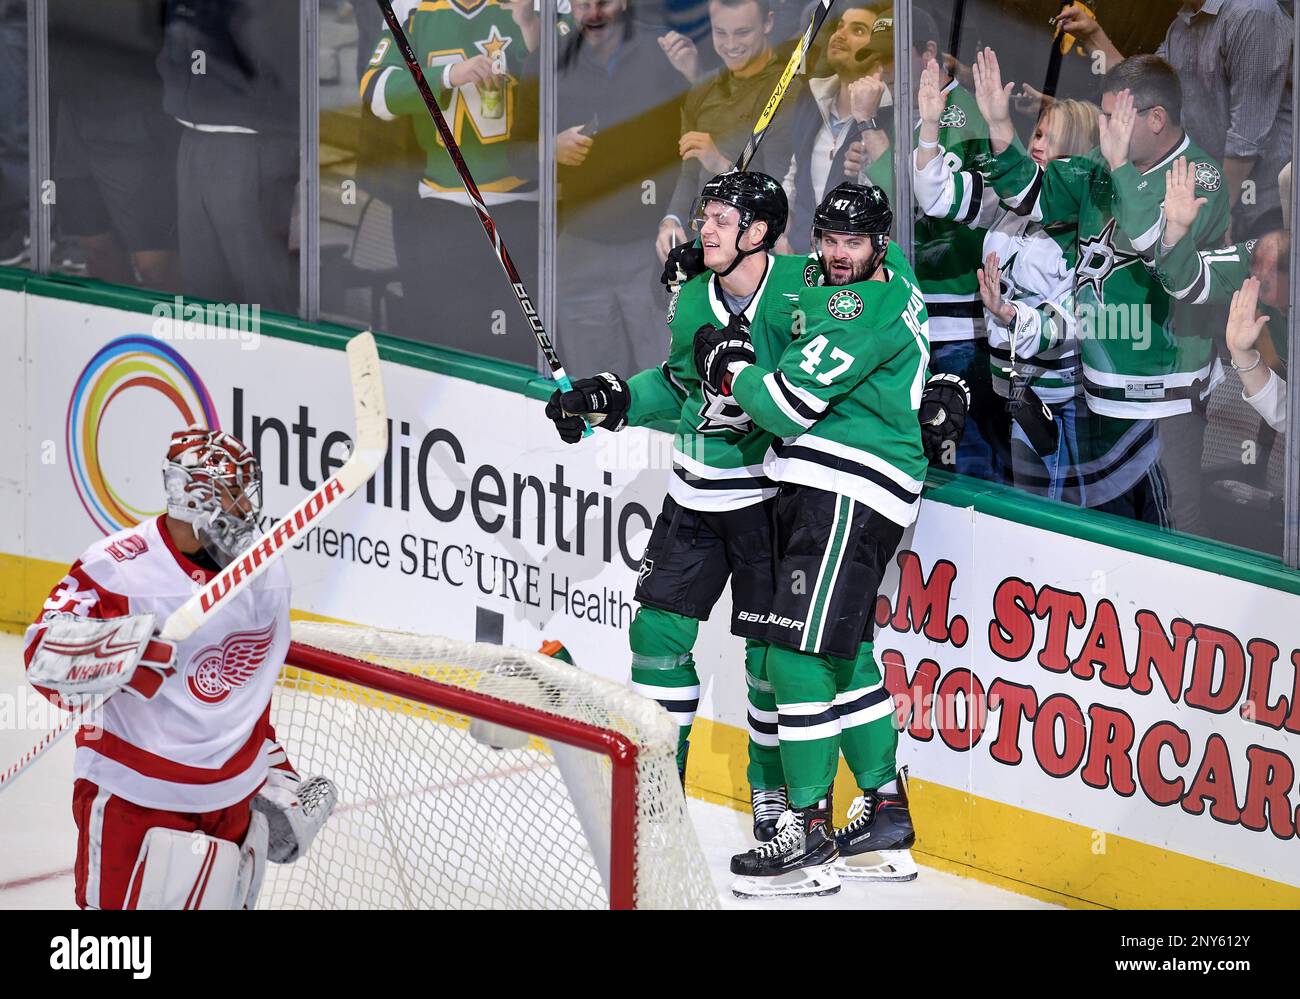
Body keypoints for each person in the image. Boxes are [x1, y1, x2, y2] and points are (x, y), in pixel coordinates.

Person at [546, 172, 806, 842]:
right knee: (656, 642)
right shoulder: (693, 297)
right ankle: (661, 790)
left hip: (770, 504)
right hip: (693, 497)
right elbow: (676, 384)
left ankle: (771, 791)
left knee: (770, 662)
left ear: (760, 232)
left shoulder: (804, 290)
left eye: (722, 219)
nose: (705, 229)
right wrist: (607, 397)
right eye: (704, 215)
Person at [699, 183, 926, 898]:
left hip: (843, 491)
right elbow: (798, 281)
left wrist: (729, 365)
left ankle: (808, 837)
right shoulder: (896, 284)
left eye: (850, 244)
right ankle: (886, 813)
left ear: (879, 245)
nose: (834, 256)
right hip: (860, 489)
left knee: (795, 654)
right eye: (827, 239)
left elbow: (785, 405)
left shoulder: (861, 312)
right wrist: (719, 263)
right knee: (845, 654)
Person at [22, 428, 335, 909]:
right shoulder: (118, 568)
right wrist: (118, 651)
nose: (244, 510)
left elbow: (248, 689)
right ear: (192, 497)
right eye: (231, 495)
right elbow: (41, 652)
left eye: (247, 494)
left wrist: (272, 769)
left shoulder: (268, 571)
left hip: (231, 803)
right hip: (135, 799)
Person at [975, 49, 1230, 533]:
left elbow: (1167, 261)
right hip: (1096, 394)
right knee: (1105, 540)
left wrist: (1118, 168)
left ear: (1156, 119)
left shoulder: (1202, 177)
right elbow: (1035, 194)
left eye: (1114, 118)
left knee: (1172, 534)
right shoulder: (1102, 163)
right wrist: (1000, 125)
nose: (1104, 128)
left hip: (1163, 404)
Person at [914, 51, 1099, 503]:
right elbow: (936, 195)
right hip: (1006, 382)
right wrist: (931, 127)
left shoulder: (1087, 225)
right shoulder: (1008, 202)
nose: (1037, 144)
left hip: (1059, 398)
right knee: (1013, 503)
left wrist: (1011, 314)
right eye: (1036, 132)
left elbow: (1077, 318)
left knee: (1058, 514)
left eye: (1052, 140)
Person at [849, 8, 1003, 481]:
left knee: (965, 449)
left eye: (892, 58)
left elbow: (928, 205)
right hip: (909, 312)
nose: (880, 73)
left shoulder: (967, 115)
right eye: (872, 62)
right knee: (919, 450)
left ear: (929, 55)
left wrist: (872, 137)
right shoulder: (900, 114)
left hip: (959, 320)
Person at [513, 0, 691, 373]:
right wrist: (548, 149)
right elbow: (514, 158)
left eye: (604, 2)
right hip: (579, 248)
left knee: (662, 378)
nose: (594, 13)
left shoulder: (664, 52)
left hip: (652, 247)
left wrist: (695, 75)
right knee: (594, 386)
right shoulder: (545, 62)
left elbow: (701, 141)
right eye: (582, 4)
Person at [360, 0, 543, 362]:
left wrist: (529, 28)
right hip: (441, 205)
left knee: (519, 346)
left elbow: (570, 77)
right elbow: (376, 94)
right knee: (447, 340)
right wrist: (448, 74)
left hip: (523, 207)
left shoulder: (531, 6)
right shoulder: (412, 8)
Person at [1055, 0, 1292, 240]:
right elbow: (1142, 88)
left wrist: (1220, 210)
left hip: (1264, 206)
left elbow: (1247, 134)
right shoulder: (1180, 27)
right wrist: (1094, 36)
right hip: (1214, 199)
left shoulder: (1253, 12)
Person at [156, 0, 300, 313]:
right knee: (204, 290)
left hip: (248, 141)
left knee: (261, 290)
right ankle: (216, 363)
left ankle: (273, 363)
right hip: (193, 133)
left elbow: (272, 49)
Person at [654, 0, 799, 265]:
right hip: (706, 245)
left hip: (755, 253)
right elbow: (689, 174)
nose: (731, 44)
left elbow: (779, 193)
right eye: (720, 33)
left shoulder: (788, 91)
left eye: (742, 32)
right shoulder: (702, 89)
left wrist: (719, 164)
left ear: (768, 22)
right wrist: (671, 221)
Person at [778, 2, 880, 254]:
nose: (840, 35)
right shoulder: (809, 98)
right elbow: (793, 177)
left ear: (880, 52)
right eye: (840, 26)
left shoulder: (889, 114)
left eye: (857, 31)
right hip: (802, 259)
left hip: (856, 269)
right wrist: (780, 235)